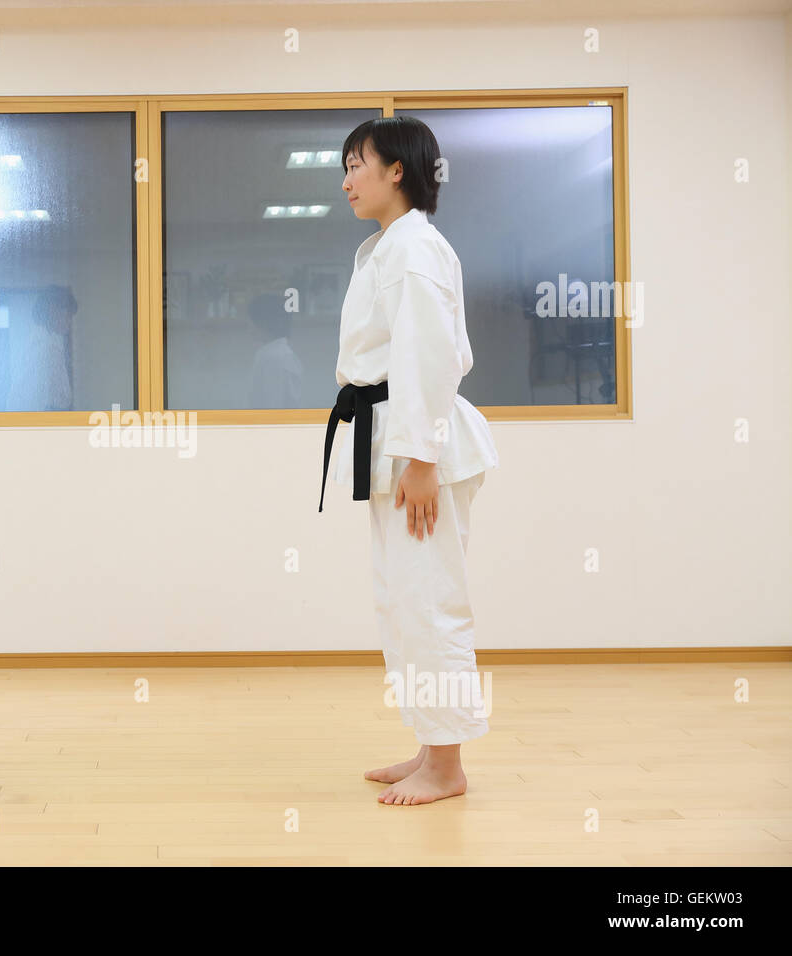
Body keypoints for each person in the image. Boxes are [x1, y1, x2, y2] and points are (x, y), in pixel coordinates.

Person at [320, 116, 499, 806]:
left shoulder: (415, 248)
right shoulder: (389, 248)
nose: (346, 180)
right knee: (402, 599)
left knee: (429, 599)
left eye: (356, 164)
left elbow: (429, 352)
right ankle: (430, 744)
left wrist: (420, 459)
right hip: (397, 436)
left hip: (420, 445)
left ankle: (448, 766)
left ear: (398, 169)